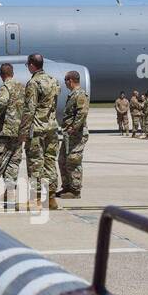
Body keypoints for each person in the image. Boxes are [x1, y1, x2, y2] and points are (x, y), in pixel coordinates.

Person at [21, 53, 60, 211]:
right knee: (50, 161)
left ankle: (36, 199)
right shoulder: (53, 80)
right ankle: (51, 198)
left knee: (35, 163)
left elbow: (29, 109)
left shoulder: (33, 83)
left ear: (31, 65)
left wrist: (23, 131)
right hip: (51, 127)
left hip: (37, 128)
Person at [0, 63, 26, 210]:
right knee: (12, 165)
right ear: (13, 73)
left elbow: (1, 103)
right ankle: (10, 197)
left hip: (4, 132)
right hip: (18, 133)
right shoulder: (22, 88)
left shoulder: (5, 88)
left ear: (1, 75)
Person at [56, 70, 89, 199]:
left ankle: (75, 190)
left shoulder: (80, 94)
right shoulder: (72, 95)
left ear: (70, 80)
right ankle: (67, 187)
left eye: (65, 80)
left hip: (77, 134)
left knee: (73, 161)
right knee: (62, 160)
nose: (65, 83)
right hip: (69, 135)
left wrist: (74, 128)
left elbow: (82, 113)